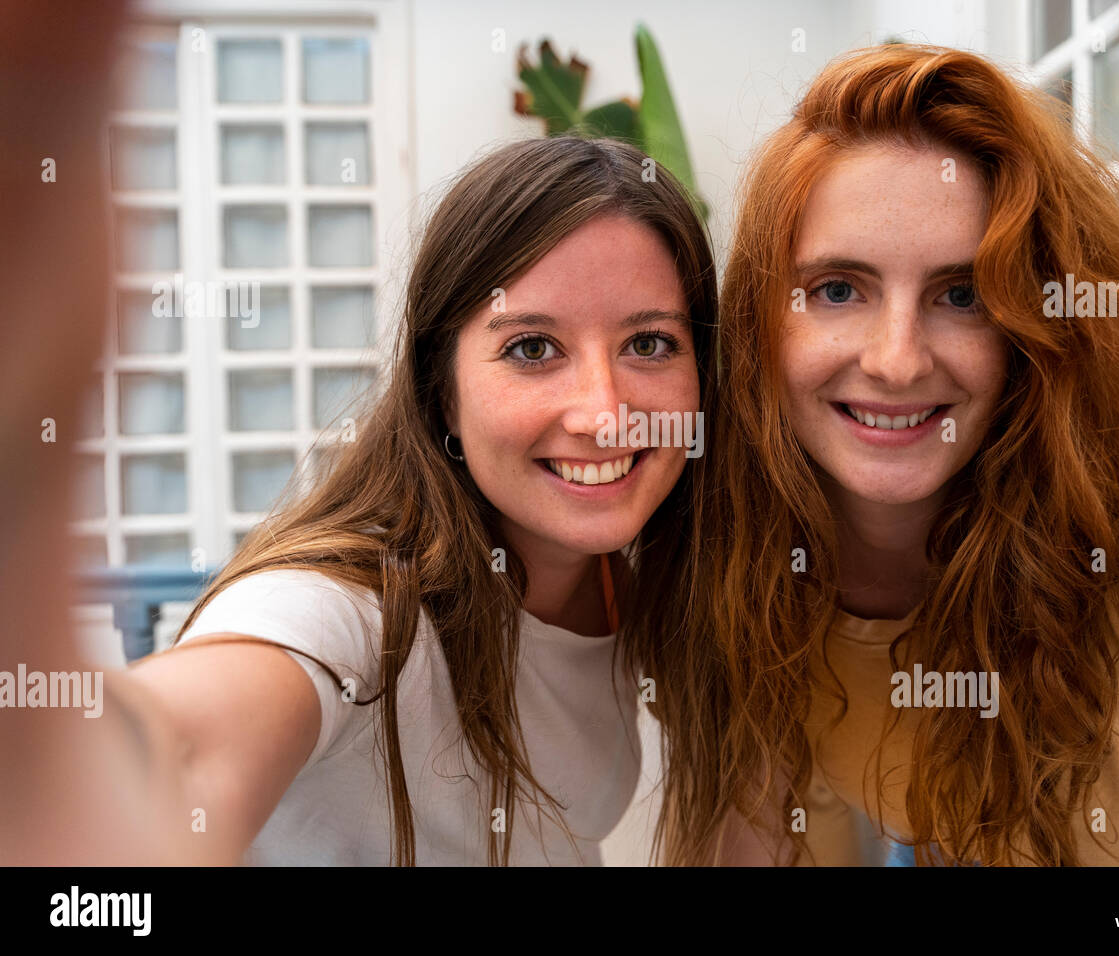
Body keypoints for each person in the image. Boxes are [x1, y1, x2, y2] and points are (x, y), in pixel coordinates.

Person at [686, 43, 1119, 867]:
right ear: (762, 321)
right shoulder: (741, 549)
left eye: (962, 294)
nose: (896, 361)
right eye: (839, 290)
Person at [115, 135, 718, 865]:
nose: (604, 414)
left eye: (649, 344)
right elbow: (174, 754)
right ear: (442, 390)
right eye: (532, 348)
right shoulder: (357, 605)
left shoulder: (635, 584)